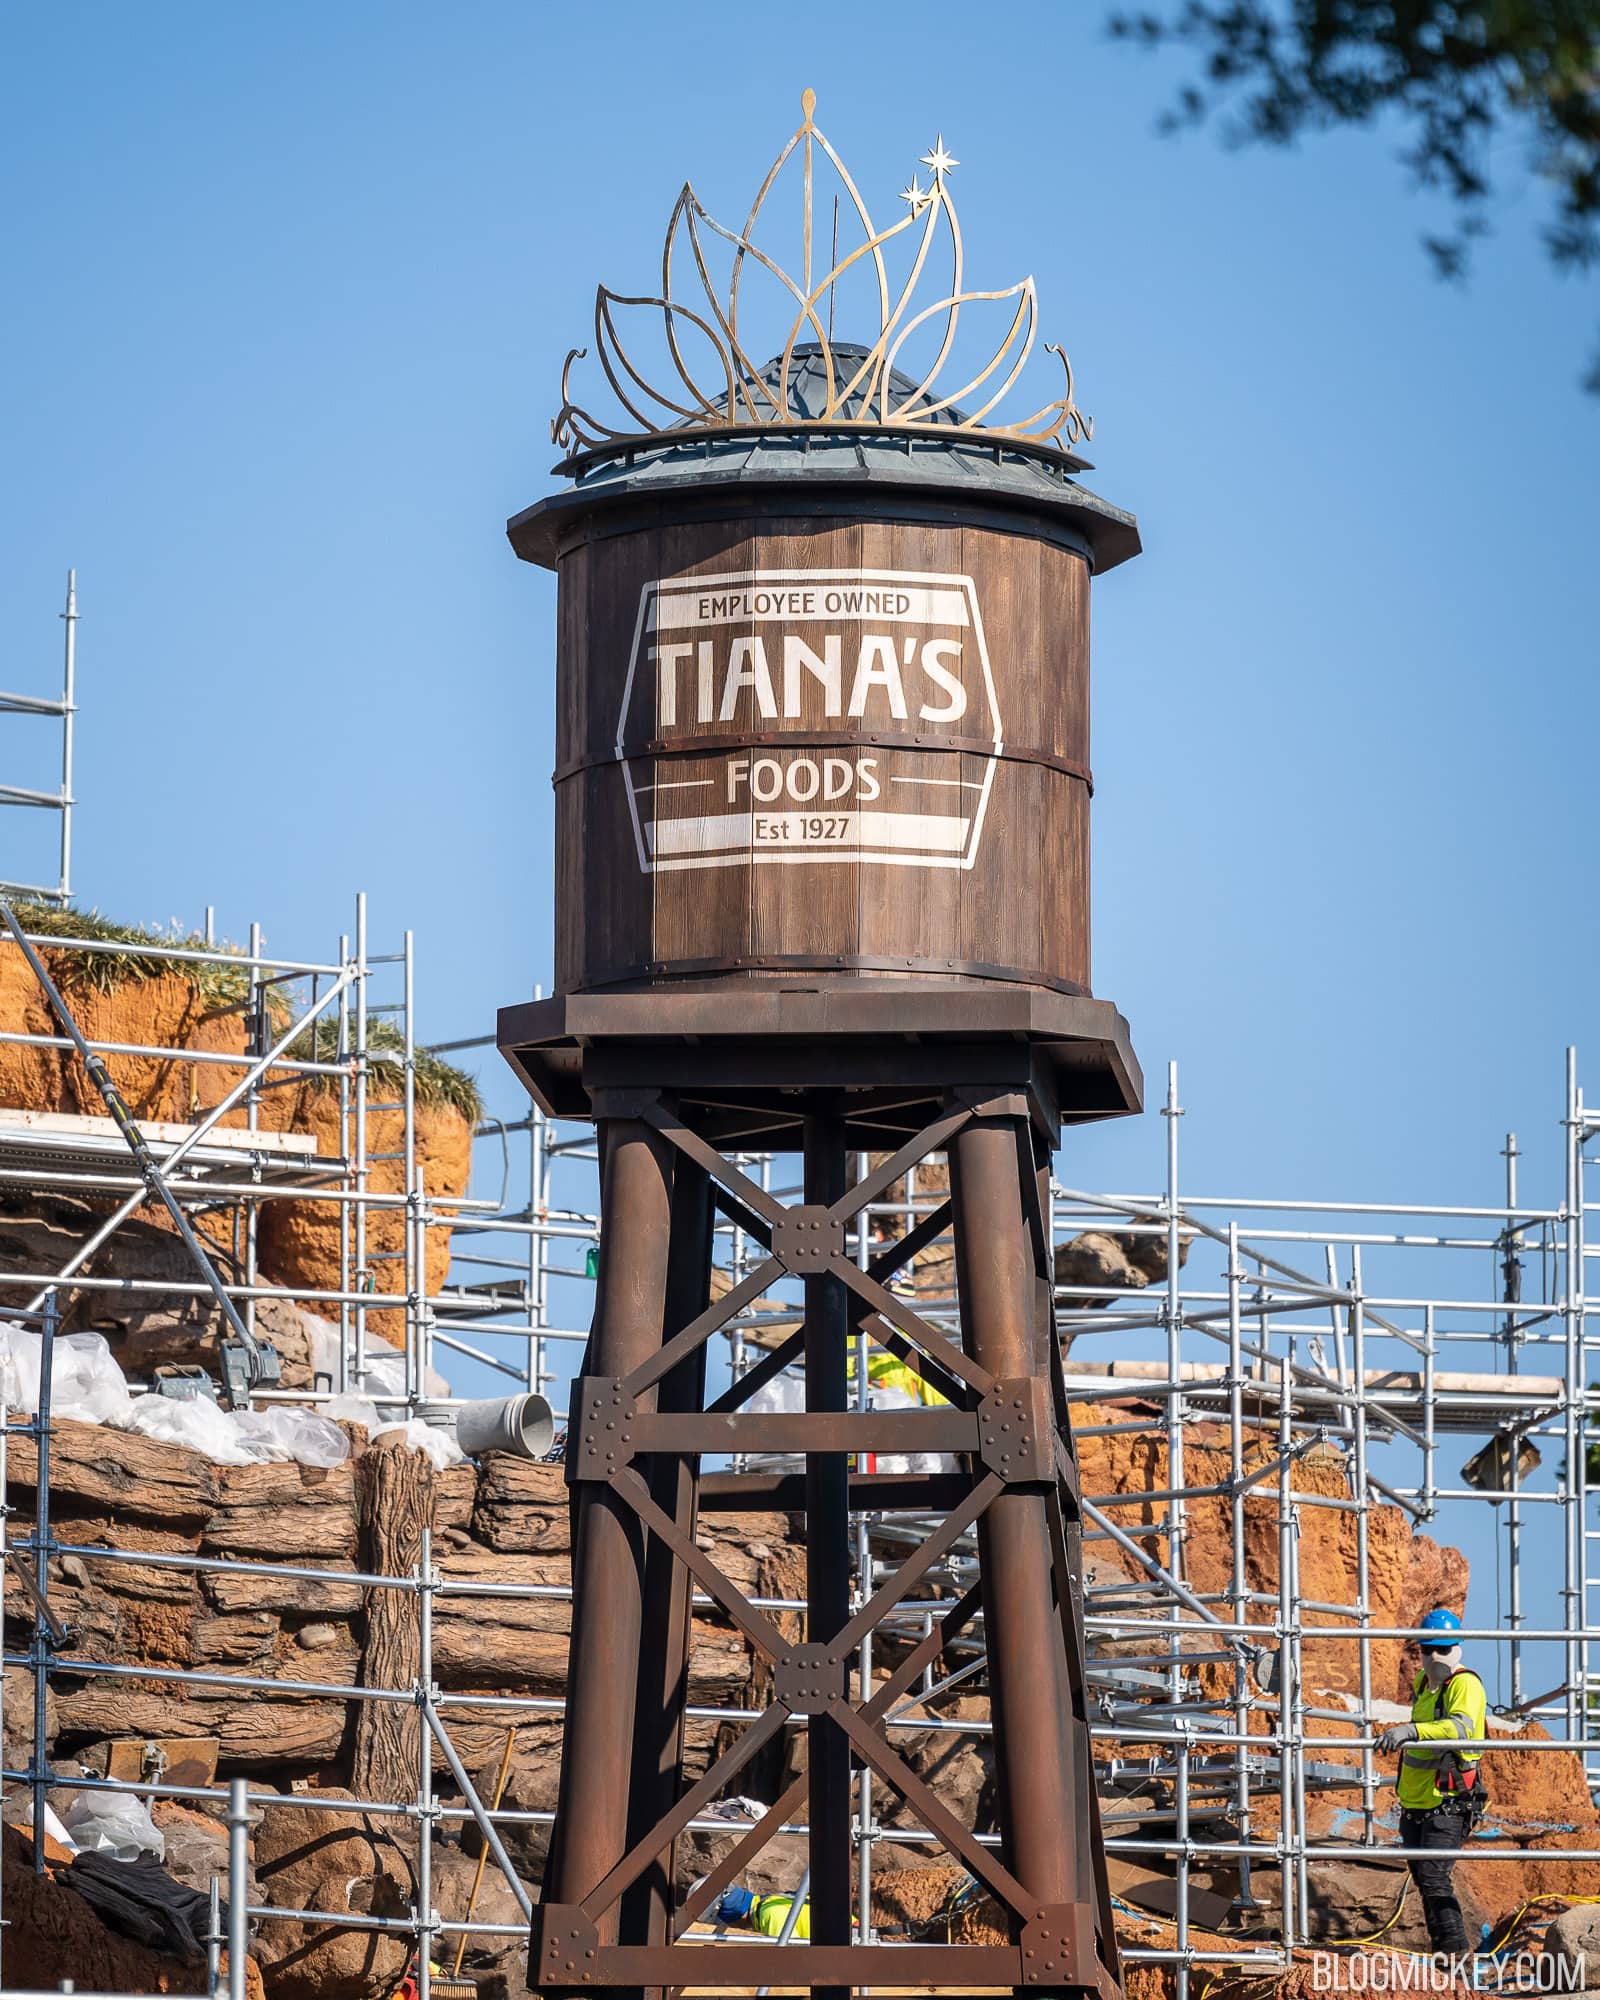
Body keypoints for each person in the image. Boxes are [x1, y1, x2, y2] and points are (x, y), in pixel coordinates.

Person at [1373, 1606, 1487, 1957]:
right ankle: (1444, 1954)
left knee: (1436, 1877)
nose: (1433, 1656)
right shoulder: (1424, 1683)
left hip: (1449, 1800)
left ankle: (1456, 1953)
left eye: (1441, 1649)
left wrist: (1411, 1731)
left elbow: (1461, 1729)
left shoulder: (1465, 1684)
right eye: (1427, 1649)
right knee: (1426, 1880)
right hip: (1417, 1800)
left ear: (1456, 1648)